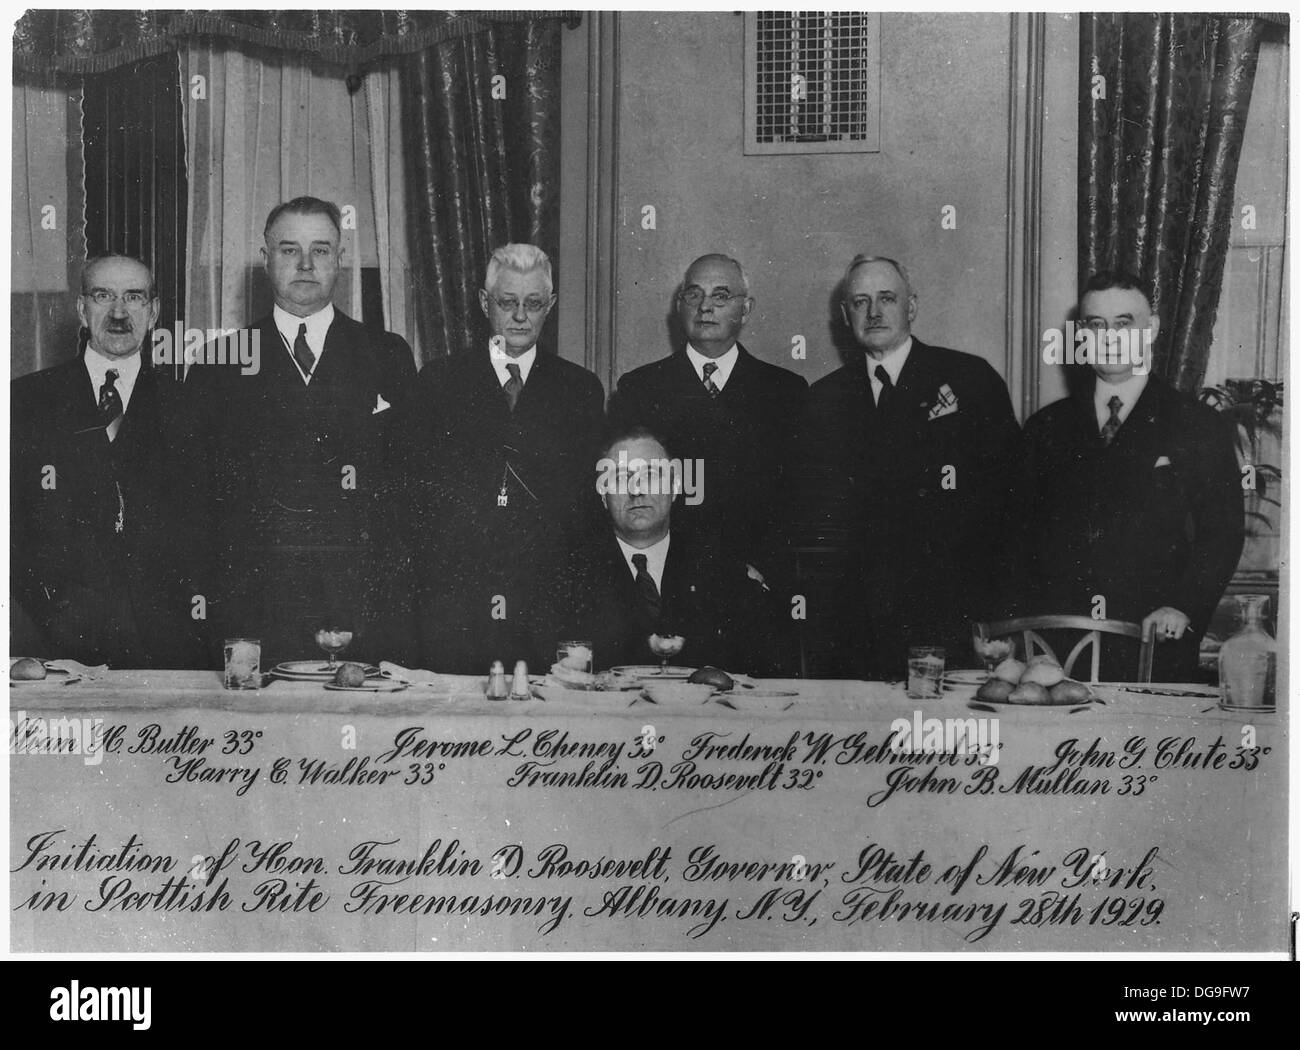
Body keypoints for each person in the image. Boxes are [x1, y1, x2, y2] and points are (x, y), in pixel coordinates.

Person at [185, 196, 416, 665]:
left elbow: (408, 492)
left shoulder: (387, 354)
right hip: (258, 613)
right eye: (290, 250)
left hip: (363, 612)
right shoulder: (219, 363)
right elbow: (200, 506)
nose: (306, 264)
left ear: (340, 261)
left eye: (321, 250)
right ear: (266, 260)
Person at [1006, 271, 1245, 680]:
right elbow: (1014, 537)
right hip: (1053, 654)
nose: (1109, 337)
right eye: (1096, 325)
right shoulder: (1045, 428)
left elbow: (1222, 533)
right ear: (1081, 336)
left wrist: (1183, 606)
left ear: (1149, 330)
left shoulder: (1198, 426)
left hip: (1154, 648)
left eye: (1123, 323)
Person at [799, 255, 1020, 678]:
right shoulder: (824, 399)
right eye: (861, 302)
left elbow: (1011, 503)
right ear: (846, 316)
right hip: (855, 626)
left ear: (912, 306)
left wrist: (997, 616)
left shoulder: (970, 380)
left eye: (887, 298)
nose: (875, 312)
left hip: (951, 618)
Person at [404, 243, 605, 672]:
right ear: (484, 302)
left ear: (549, 305)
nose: (519, 316)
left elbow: (584, 513)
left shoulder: (580, 391)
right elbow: (416, 502)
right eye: (507, 302)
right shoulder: (437, 383)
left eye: (533, 304)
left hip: (546, 607)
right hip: (456, 609)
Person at [10, 254, 201, 666]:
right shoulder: (25, 402)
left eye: (134, 297)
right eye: (103, 296)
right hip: (54, 646)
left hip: (165, 646)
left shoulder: (191, 406)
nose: (118, 312)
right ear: (82, 309)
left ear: (153, 312)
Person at [608, 253, 806, 575]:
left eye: (721, 295)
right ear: (679, 305)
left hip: (760, 578)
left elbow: (797, 502)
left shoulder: (785, 392)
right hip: (670, 576)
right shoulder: (640, 389)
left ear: (746, 309)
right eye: (694, 294)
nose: (705, 307)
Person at [554, 424, 790, 674]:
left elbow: (761, 655)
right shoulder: (570, 574)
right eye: (622, 478)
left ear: (675, 487)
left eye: (651, 476)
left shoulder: (720, 570)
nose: (637, 490)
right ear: (603, 495)